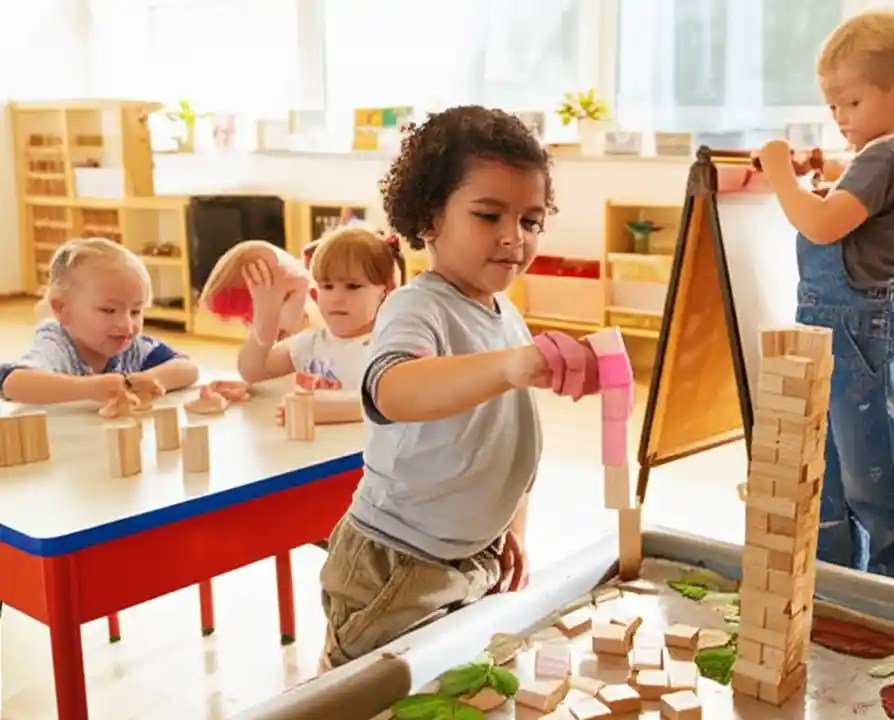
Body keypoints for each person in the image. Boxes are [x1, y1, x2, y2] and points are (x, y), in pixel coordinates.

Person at [317, 106, 558, 670]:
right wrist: (508, 367)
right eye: (488, 215)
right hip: (396, 565)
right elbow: (394, 390)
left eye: (530, 221)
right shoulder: (416, 306)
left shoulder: (504, 315)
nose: (512, 238)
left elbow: (511, 444)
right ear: (429, 218)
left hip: (470, 557)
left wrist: (510, 529)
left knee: (443, 684)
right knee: (360, 697)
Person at [755, 9, 894, 583]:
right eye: (832, 106)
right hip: (852, 327)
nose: (838, 118)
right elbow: (861, 180)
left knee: (872, 478)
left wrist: (781, 174)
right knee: (830, 470)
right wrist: (832, 167)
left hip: (858, 328)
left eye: (851, 105)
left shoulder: (886, 157)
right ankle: (841, 585)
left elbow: (823, 226)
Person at [0, 237, 198, 406]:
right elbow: (12, 382)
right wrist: (91, 389)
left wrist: (150, 379)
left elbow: (187, 368)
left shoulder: (129, 345)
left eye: (136, 311)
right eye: (108, 310)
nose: (126, 325)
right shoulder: (57, 344)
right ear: (62, 309)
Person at [236, 226, 404, 425]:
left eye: (352, 286)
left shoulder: (390, 347)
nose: (336, 299)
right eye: (327, 286)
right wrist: (266, 317)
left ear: (386, 291)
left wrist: (331, 409)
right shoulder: (312, 342)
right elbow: (253, 371)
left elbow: (399, 402)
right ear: (315, 294)